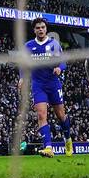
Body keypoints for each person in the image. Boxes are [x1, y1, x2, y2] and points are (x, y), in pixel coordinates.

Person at [20, 17, 70, 157]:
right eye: (38, 28)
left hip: (53, 84)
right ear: (34, 30)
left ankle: (68, 139)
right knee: (41, 115)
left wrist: (59, 69)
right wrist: (22, 78)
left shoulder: (54, 44)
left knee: (61, 116)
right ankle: (48, 147)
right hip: (38, 84)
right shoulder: (28, 46)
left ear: (46, 29)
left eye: (42, 27)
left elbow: (63, 63)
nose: (40, 30)